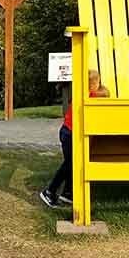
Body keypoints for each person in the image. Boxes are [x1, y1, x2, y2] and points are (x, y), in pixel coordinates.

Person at [40, 70, 109, 208]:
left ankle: (67, 193)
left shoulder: (80, 93)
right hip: (69, 134)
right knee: (69, 164)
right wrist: (100, 89)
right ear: (93, 84)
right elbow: (106, 93)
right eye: (98, 82)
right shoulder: (89, 95)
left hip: (67, 132)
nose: (100, 85)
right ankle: (49, 191)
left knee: (72, 164)